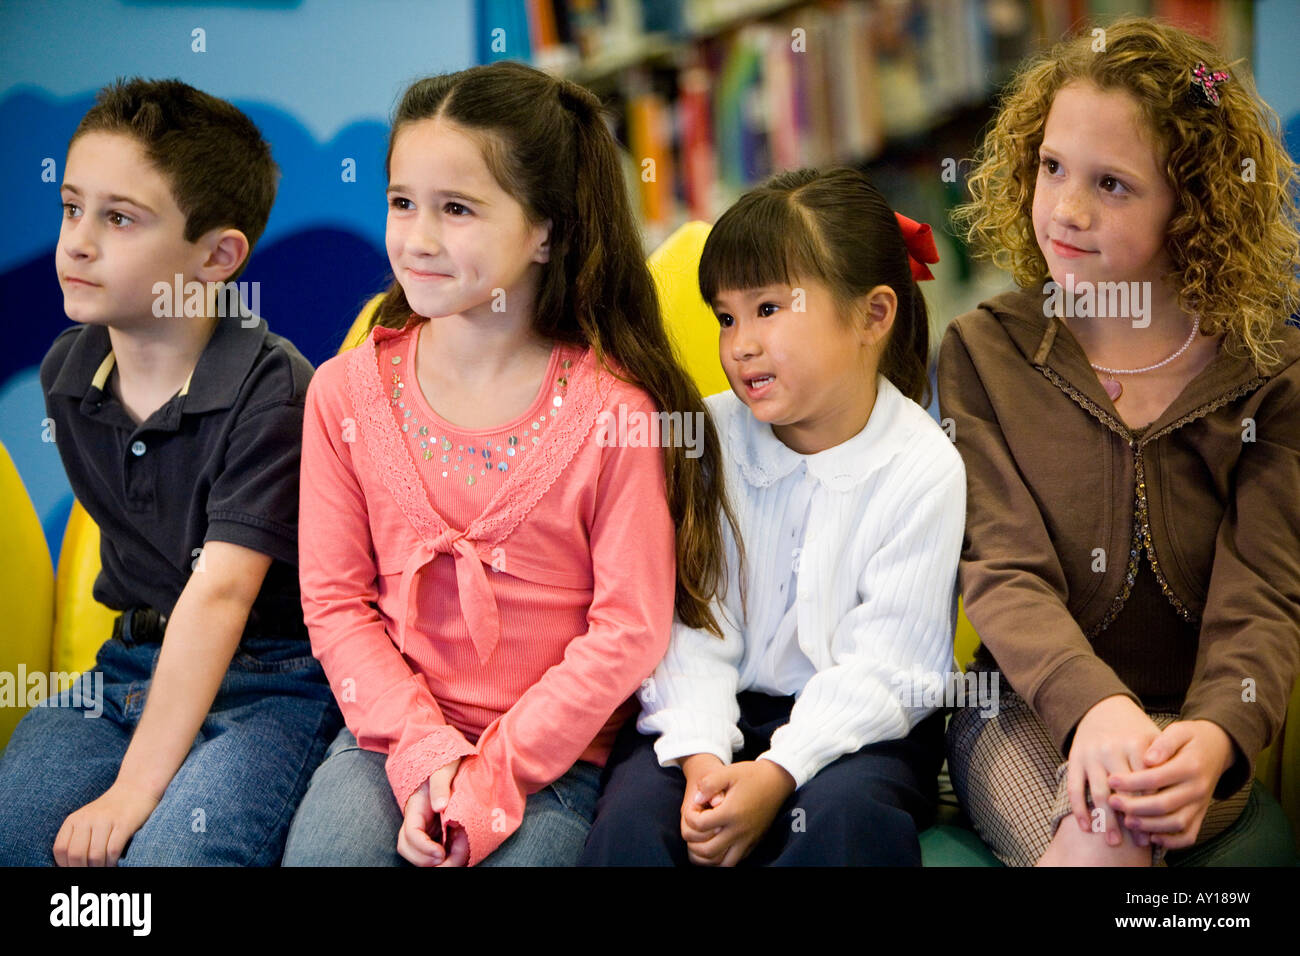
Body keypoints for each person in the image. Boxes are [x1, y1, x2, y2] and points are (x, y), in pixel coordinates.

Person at [282, 61, 734, 867]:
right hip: (388, 743)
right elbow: (335, 603)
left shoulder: (617, 415)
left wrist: (495, 770)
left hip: (551, 765)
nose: (417, 239)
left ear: (545, 231)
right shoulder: (342, 393)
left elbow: (628, 630)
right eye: (401, 203)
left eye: (456, 209)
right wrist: (426, 755)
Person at [941, 17, 1300, 866]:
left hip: (1192, 719)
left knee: (1127, 820)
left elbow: (1264, 596)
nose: (1065, 208)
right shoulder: (983, 352)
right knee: (1103, 839)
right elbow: (1002, 570)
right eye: (1052, 166)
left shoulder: (1274, 375)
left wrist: (1216, 734)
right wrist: (1093, 709)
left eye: (1113, 184)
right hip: (1021, 710)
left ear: (1193, 205)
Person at [579, 167, 966, 866]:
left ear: (874, 316)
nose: (740, 344)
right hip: (707, 709)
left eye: (768, 310)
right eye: (726, 317)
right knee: (634, 824)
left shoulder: (922, 465)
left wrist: (778, 771)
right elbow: (686, 619)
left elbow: (890, 667)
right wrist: (701, 758)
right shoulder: (707, 439)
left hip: (860, 729)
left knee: (843, 824)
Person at [0, 78, 342, 866]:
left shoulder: (275, 392)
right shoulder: (70, 372)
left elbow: (221, 596)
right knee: (19, 835)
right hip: (128, 668)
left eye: (119, 218)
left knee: (173, 856)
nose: (77, 242)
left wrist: (132, 792)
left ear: (217, 257)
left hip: (274, 687)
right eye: (70, 208)